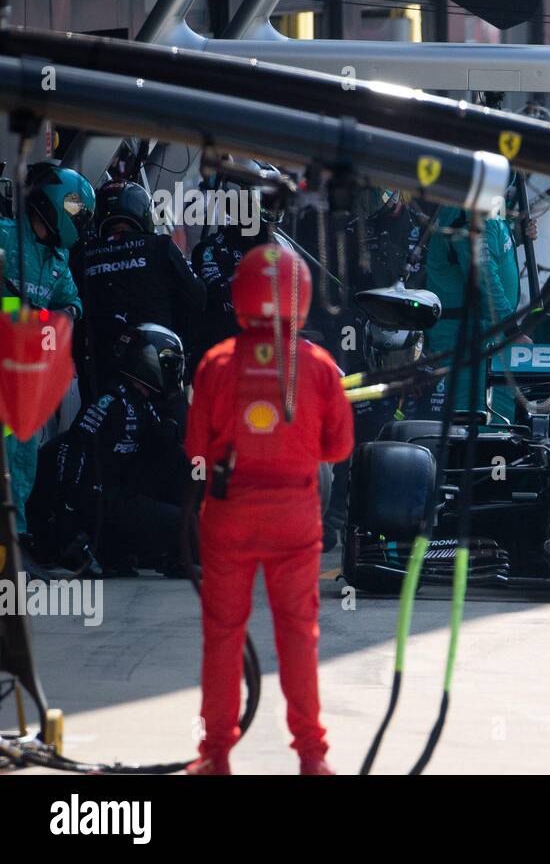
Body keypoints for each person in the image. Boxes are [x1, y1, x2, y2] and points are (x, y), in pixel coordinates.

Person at [185, 245, 354, 776]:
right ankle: (311, 756)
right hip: (295, 517)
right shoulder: (321, 367)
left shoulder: (216, 364)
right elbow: (339, 448)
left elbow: (196, 447)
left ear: (240, 295)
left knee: (223, 635)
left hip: (229, 514)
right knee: (298, 636)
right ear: (301, 298)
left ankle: (214, 756)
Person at [28, 324, 189, 577]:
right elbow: (74, 447)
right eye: (169, 362)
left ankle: (123, 551)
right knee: (183, 524)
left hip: (115, 495)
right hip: (95, 501)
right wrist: (68, 511)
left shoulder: (142, 403)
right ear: (147, 359)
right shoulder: (110, 400)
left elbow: (167, 449)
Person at [1, 160, 91, 533]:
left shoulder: (58, 259)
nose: (80, 220)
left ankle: (16, 542)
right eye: (76, 210)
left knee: (24, 460)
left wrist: (61, 316)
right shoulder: (5, 236)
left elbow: (72, 302)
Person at [71, 180, 205, 404]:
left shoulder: (81, 258)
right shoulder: (161, 247)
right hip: (156, 375)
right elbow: (197, 298)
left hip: (101, 379)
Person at [420, 204, 527, 421]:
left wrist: (517, 234)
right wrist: (512, 331)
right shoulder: (472, 214)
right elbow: (486, 279)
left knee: (498, 420)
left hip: (487, 335)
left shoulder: (487, 211)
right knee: (483, 424)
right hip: (470, 340)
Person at [186, 162, 283, 374]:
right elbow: (225, 301)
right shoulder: (210, 250)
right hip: (225, 359)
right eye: (267, 199)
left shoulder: (280, 250)